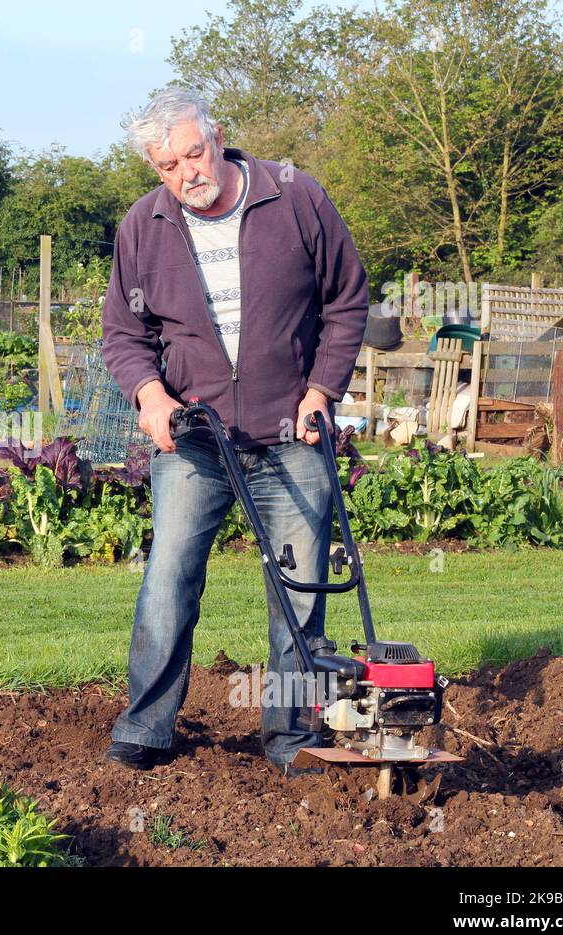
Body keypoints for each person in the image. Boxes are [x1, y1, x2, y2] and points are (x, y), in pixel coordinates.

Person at [100, 89, 368, 776]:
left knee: (301, 591)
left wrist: (321, 391)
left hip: (292, 434)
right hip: (197, 437)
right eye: (167, 164)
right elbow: (125, 335)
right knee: (167, 579)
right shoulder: (145, 225)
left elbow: (346, 299)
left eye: (193, 152)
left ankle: (290, 736)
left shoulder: (293, 195)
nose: (186, 172)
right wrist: (149, 392)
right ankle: (146, 727)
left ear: (217, 138)